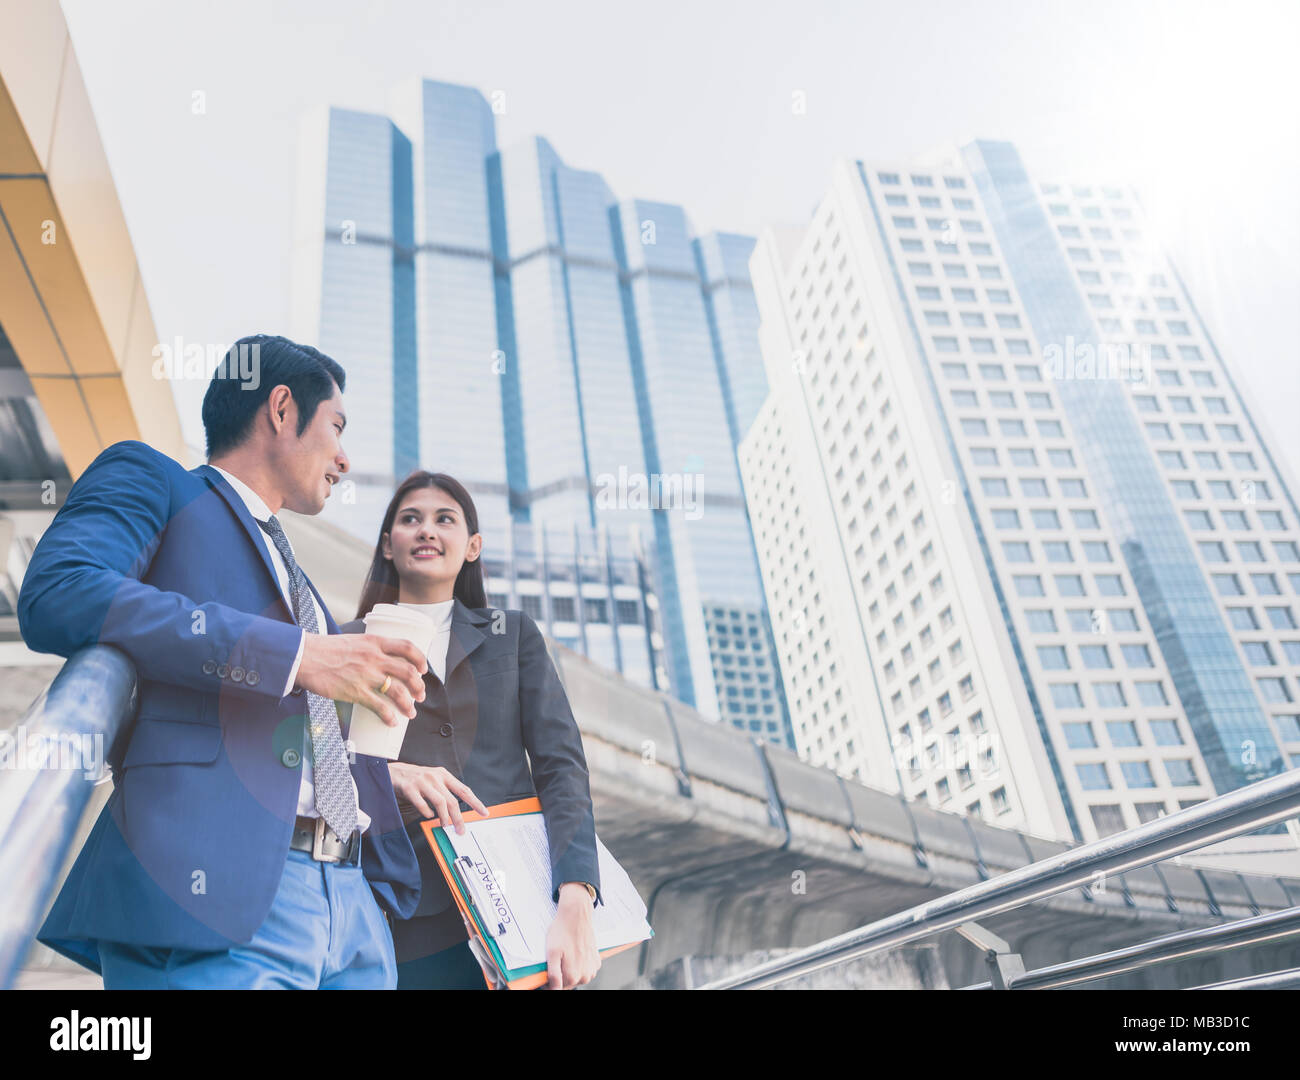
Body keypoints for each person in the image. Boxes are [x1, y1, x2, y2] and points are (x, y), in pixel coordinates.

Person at [19, 334, 430, 989]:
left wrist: (383, 777)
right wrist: (297, 656)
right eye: (338, 427)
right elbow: (61, 591)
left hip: (353, 915)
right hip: (216, 900)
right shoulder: (155, 480)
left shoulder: (299, 580)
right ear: (282, 409)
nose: (345, 459)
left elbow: (290, 732)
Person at [339, 470, 603, 990]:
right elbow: (312, 758)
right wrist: (391, 774)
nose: (426, 531)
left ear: (473, 545)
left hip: (520, 911)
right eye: (409, 519)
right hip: (396, 913)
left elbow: (561, 765)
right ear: (388, 545)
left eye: (445, 519)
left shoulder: (514, 636)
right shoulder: (346, 644)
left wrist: (576, 894)